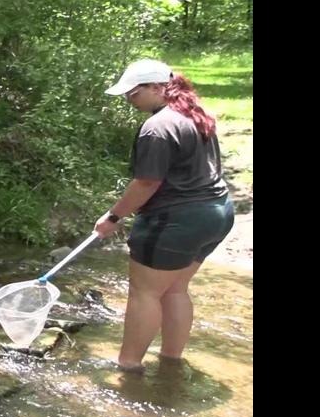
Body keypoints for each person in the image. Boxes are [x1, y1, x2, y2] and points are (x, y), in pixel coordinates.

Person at [92, 58, 235, 372]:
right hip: (218, 213)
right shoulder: (195, 113)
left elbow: (146, 183)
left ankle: (128, 367)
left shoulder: (157, 128)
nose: (130, 100)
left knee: (144, 292)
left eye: (133, 93)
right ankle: (171, 362)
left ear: (157, 88)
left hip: (177, 221)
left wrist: (113, 217)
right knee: (175, 288)